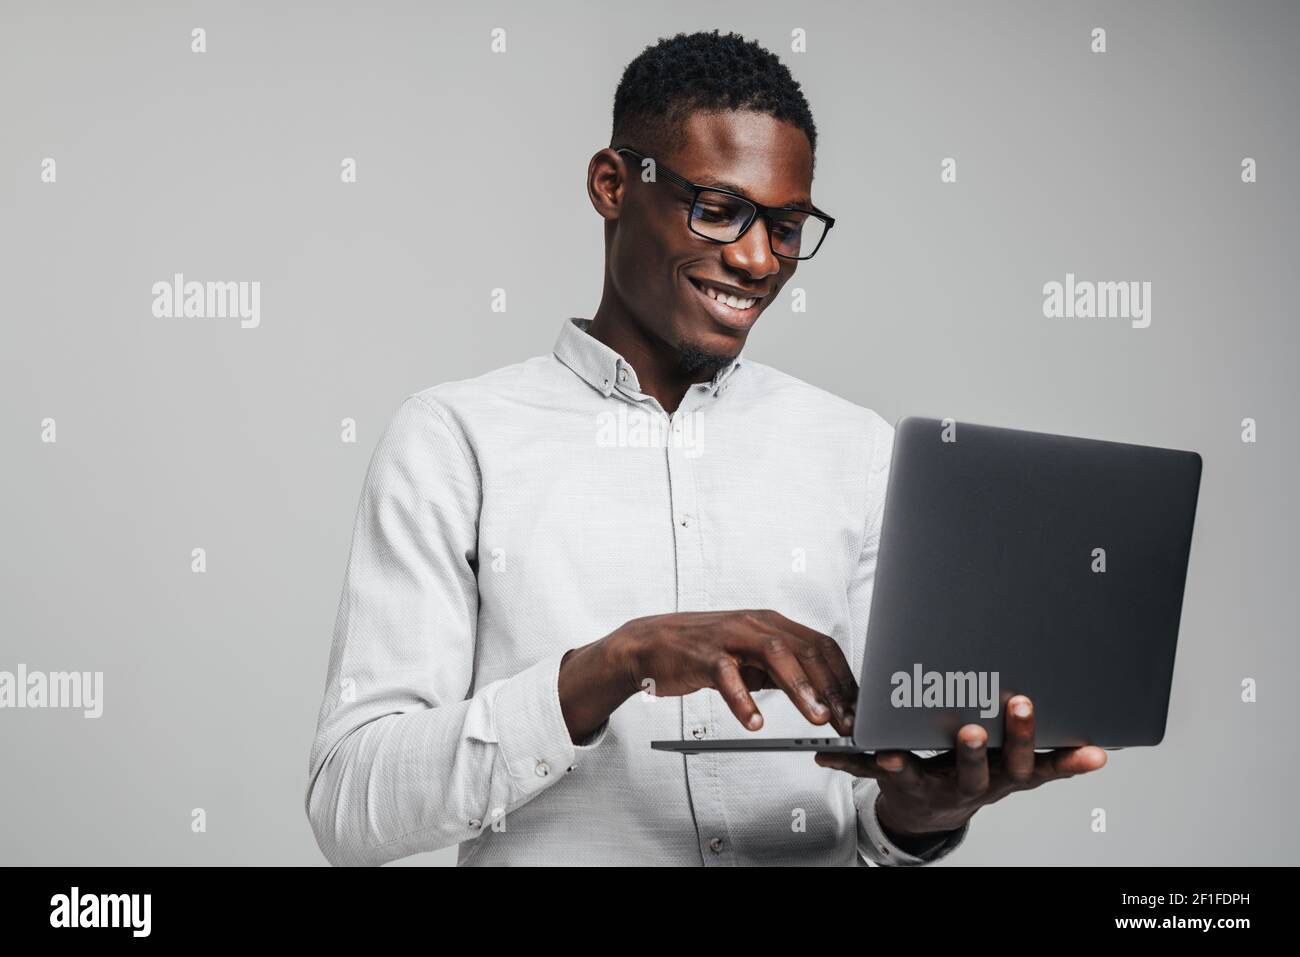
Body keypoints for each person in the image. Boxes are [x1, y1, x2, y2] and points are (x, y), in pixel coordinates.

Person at [305, 29, 1106, 867]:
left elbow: (874, 811)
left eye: (788, 226)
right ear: (613, 185)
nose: (759, 259)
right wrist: (618, 662)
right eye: (718, 210)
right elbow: (352, 805)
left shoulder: (857, 449)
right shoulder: (454, 439)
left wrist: (921, 814)